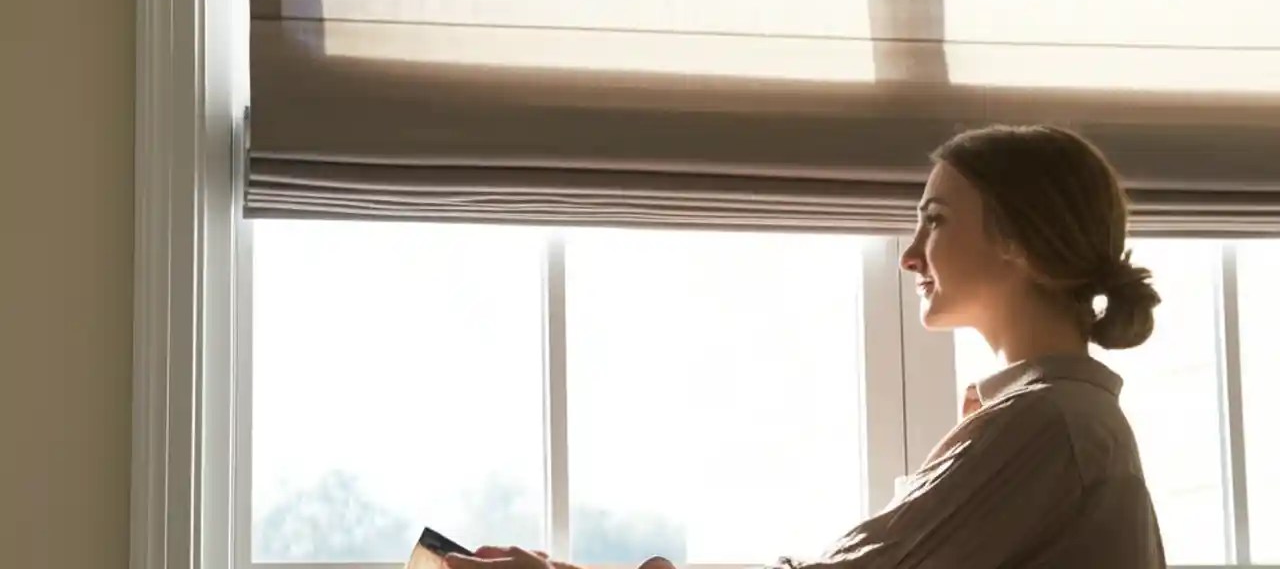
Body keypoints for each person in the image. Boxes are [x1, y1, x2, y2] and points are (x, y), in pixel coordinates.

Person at [444, 125, 1167, 569]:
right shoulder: (1052, 422)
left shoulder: (1050, 426)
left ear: (1020, 241)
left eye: (937, 221)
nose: (910, 256)